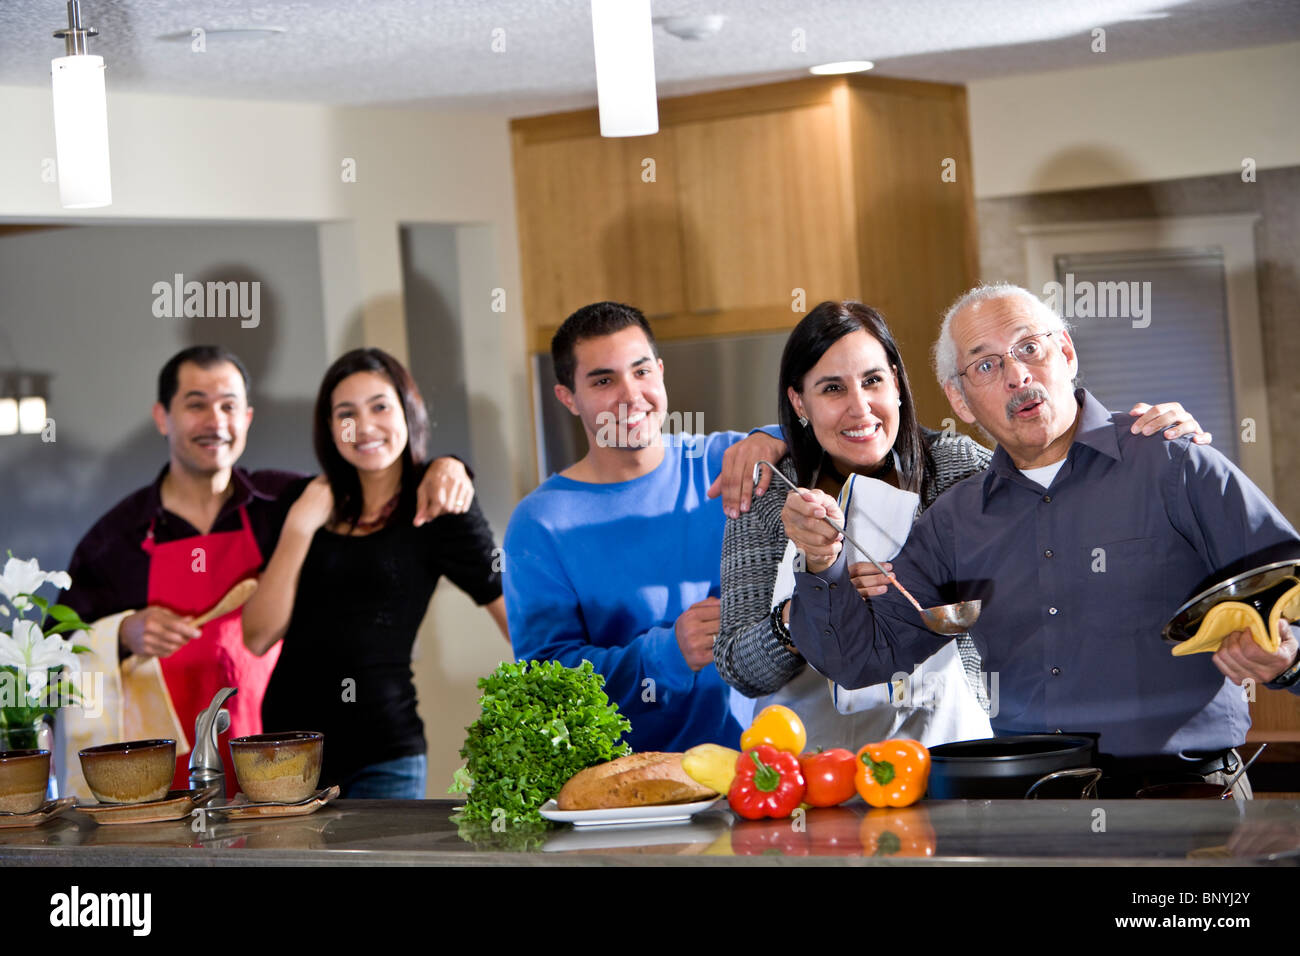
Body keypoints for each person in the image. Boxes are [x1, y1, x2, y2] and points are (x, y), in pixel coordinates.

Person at [784, 284, 1300, 796]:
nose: (1018, 376)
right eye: (985, 365)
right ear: (960, 401)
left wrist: (1288, 660)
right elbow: (859, 660)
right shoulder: (953, 524)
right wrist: (822, 561)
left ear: (1067, 353)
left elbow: (1287, 582)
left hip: (1187, 800)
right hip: (1032, 809)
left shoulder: (1174, 462)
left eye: (1030, 347)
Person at [716, 300, 1209, 748]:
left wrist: (1139, 436)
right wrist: (809, 608)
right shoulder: (767, 493)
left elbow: (1058, 477)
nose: (860, 407)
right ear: (799, 404)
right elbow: (740, 668)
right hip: (810, 764)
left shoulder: (961, 468)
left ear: (897, 383)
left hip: (949, 747)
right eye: (831, 389)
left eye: (872, 381)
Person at [63, 345, 475, 795]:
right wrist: (122, 634)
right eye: (196, 404)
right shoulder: (115, 539)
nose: (215, 422)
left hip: (274, 752)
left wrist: (448, 467)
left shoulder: (284, 502)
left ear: (248, 418)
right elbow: (56, 651)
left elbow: (377, 481)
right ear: (163, 417)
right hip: (162, 771)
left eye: (229, 406)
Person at [503, 302, 787, 753]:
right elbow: (545, 681)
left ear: (659, 371)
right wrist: (665, 655)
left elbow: (831, 439)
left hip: (756, 769)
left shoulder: (726, 462)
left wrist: (772, 436)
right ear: (568, 398)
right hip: (618, 785)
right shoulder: (539, 524)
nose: (630, 395)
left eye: (640, 372)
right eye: (603, 380)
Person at [243, 348, 507, 799]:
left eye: (380, 407)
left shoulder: (438, 505)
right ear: (330, 428)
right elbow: (258, 635)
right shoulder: (304, 502)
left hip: (383, 755)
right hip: (284, 754)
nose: (364, 427)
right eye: (346, 414)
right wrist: (300, 527)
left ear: (409, 411)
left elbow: (518, 617)